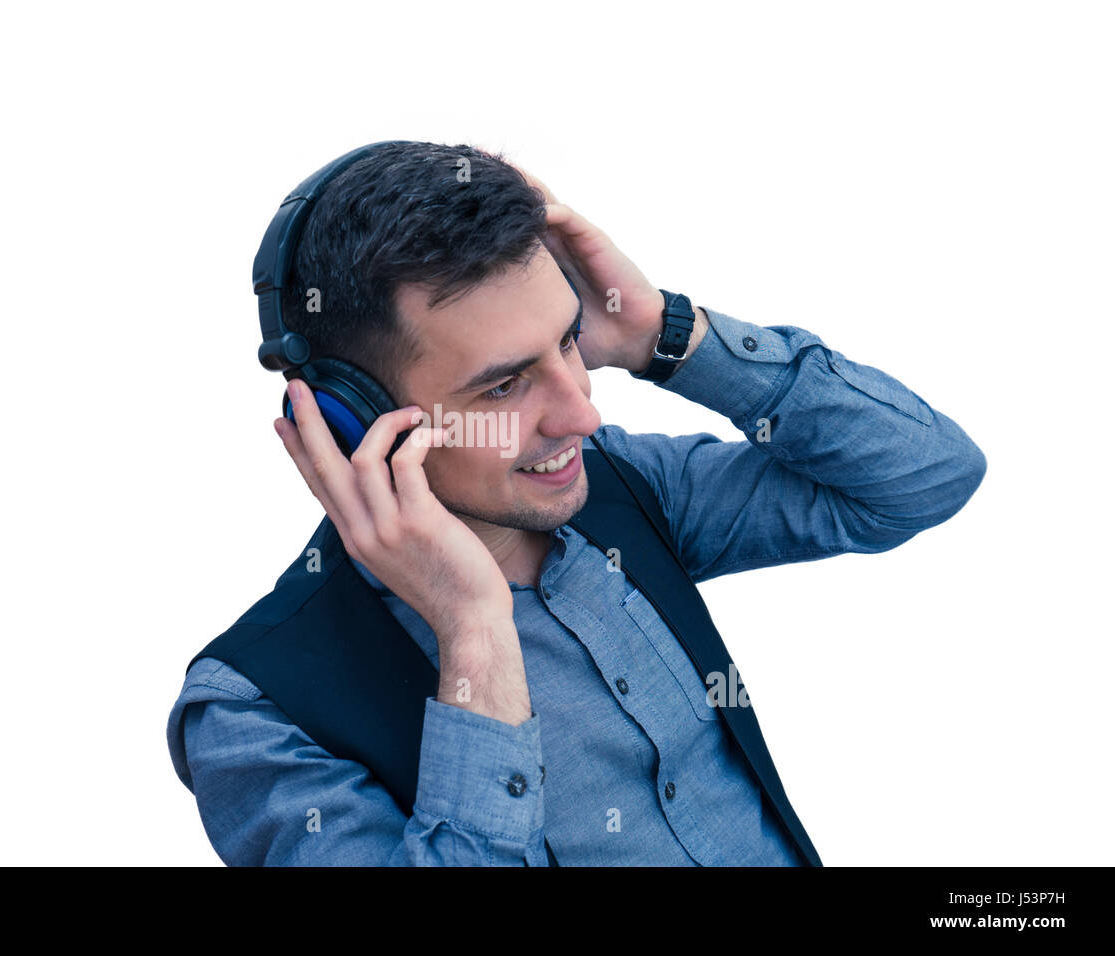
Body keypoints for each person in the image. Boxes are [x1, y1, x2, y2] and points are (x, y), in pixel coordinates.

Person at [165, 142, 987, 865]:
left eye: (567, 342)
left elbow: (924, 475)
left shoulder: (620, 486)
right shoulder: (254, 715)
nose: (582, 413)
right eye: (503, 385)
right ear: (352, 420)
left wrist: (664, 334)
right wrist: (473, 629)